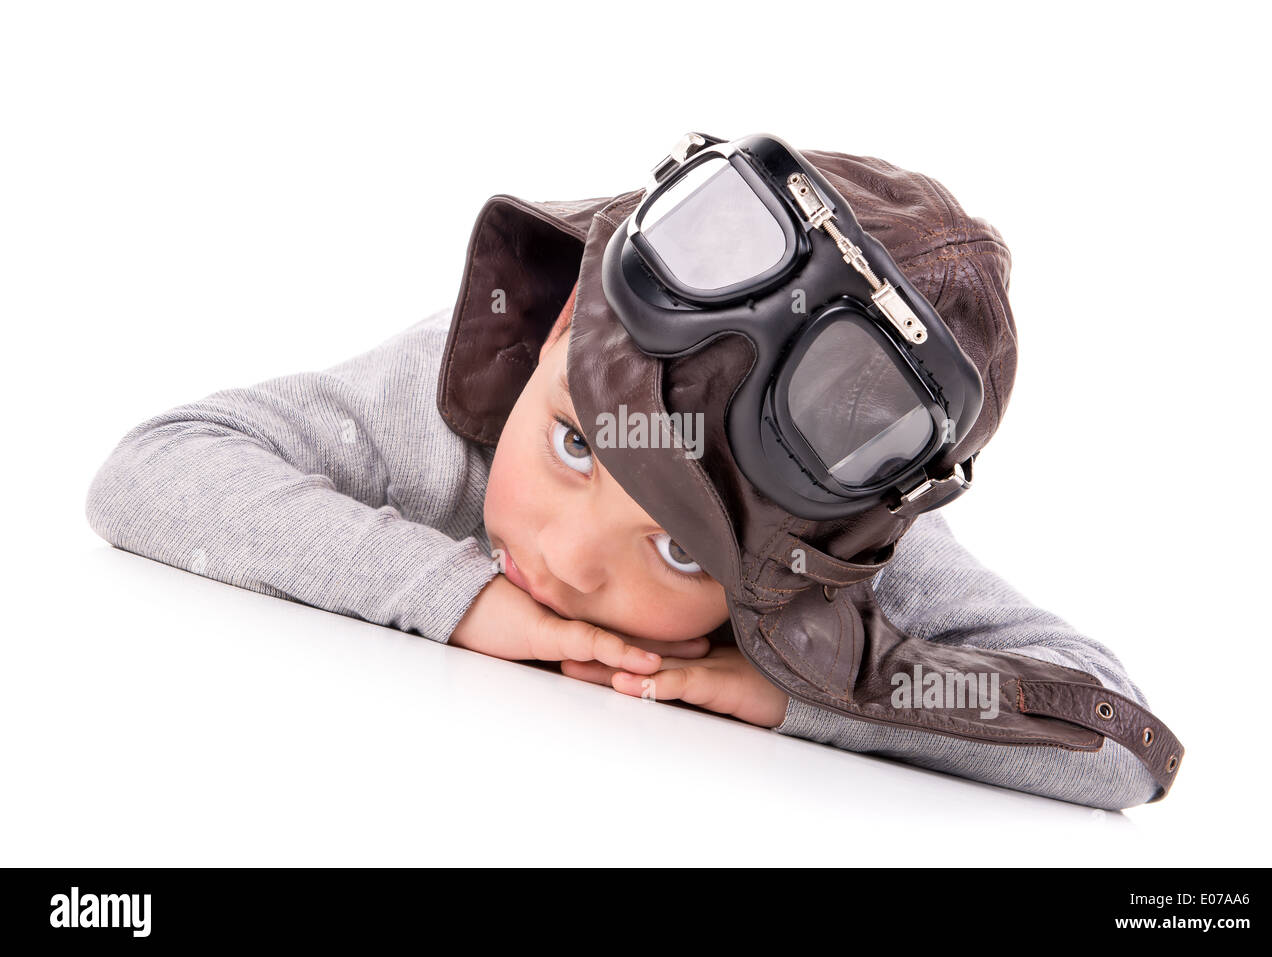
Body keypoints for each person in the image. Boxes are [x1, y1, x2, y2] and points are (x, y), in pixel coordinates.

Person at [86, 135, 1178, 810]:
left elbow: (1117, 742)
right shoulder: (481, 388)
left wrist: (802, 692)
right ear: (566, 322)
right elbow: (156, 467)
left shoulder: (837, 554)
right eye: (574, 444)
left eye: (676, 543)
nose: (561, 556)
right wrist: (455, 600)